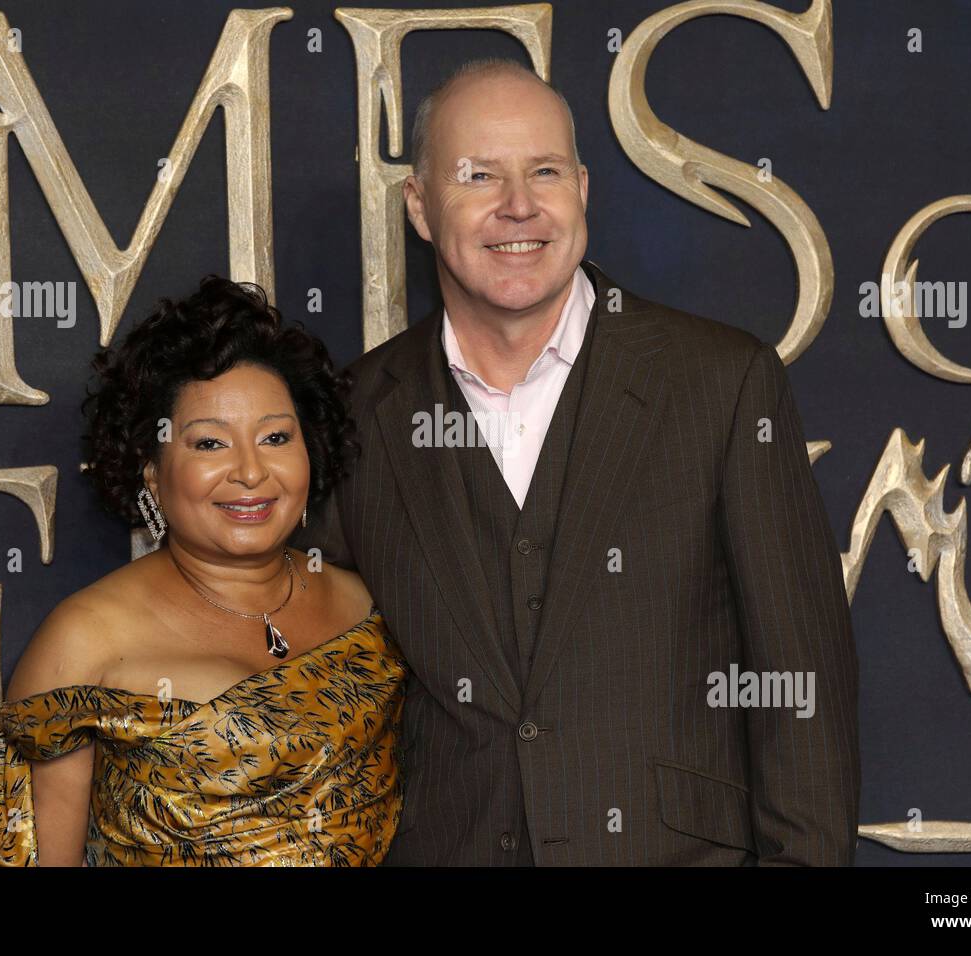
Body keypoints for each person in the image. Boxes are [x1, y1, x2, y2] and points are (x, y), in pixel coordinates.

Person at [292, 58, 861, 865]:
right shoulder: (351, 413)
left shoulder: (722, 383)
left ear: (583, 190)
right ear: (419, 207)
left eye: (545, 171)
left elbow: (801, 688)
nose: (517, 206)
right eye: (479, 174)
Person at [0, 276, 406, 866]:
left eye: (276, 437)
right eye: (209, 444)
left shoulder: (370, 605)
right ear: (151, 471)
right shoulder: (87, 639)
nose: (251, 472)